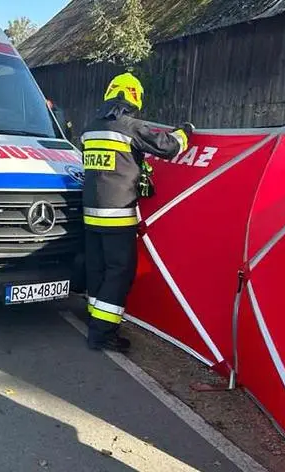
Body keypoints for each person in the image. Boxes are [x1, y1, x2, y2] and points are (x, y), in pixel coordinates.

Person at [82, 72, 192, 352]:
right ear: (134, 97)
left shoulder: (90, 127)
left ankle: (94, 318)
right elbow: (167, 147)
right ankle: (102, 334)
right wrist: (186, 131)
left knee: (98, 268)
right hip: (117, 215)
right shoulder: (129, 126)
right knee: (120, 271)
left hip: (90, 213)